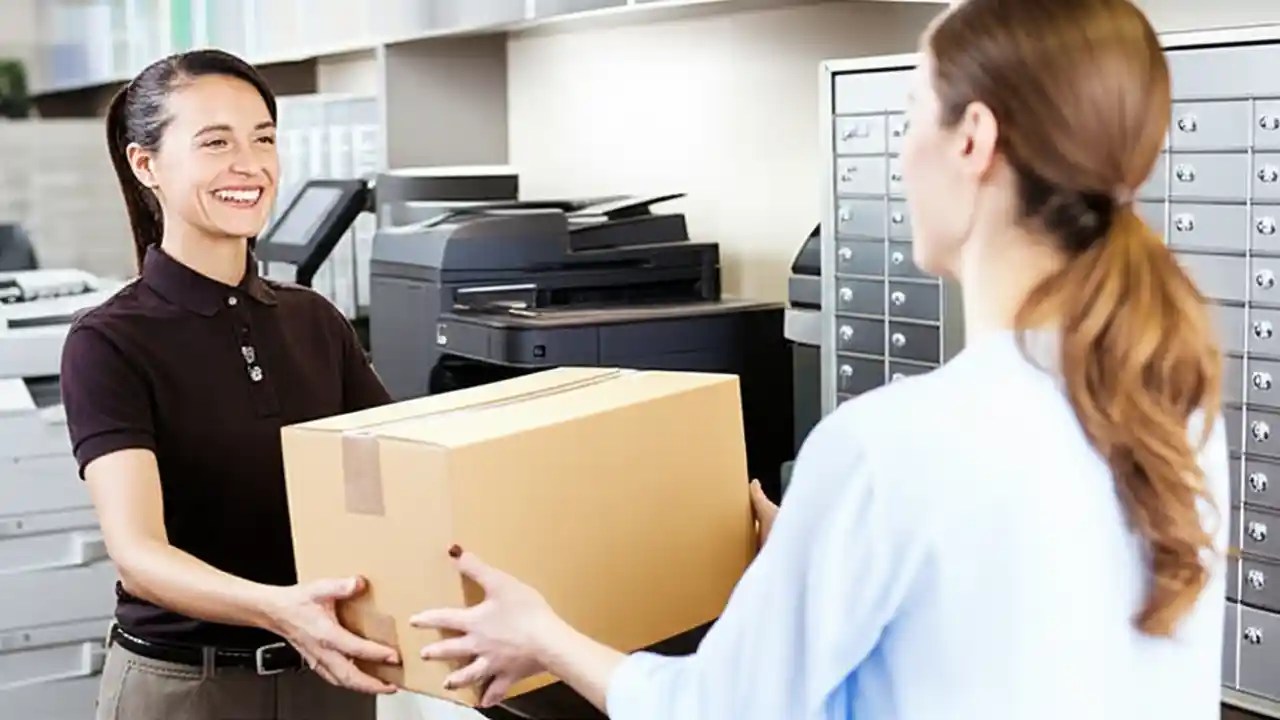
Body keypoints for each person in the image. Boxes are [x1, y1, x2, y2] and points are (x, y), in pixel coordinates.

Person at [407, 0, 1230, 718]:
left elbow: (718, 714)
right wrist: (813, 559)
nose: (903, 153)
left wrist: (543, 635)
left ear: (973, 137)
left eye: (914, 114)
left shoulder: (889, 446)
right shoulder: (1175, 412)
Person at [60, 49, 402, 720]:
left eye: (263, 138)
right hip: (186, 689)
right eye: (215, 142)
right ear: (146, 164)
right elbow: (138, 554)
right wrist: (278, 610)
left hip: (327, 678)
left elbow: (394, 475)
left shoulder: (313, 319)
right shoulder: (108, 341)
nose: (249, 163)